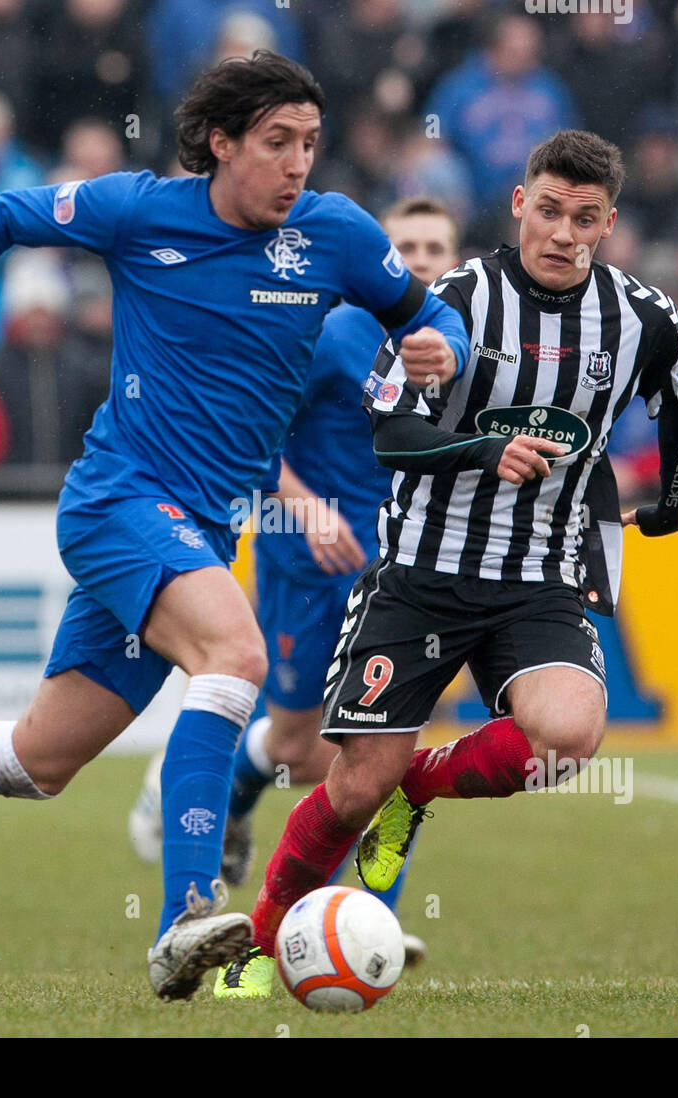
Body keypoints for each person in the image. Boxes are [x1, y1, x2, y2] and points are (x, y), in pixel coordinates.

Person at [0, 51, 469, 1003]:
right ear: (221, 143)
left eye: (311, 145)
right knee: (235, 657)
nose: (298, 164)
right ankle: (184, 917)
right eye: (279, 143)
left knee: (33, 761)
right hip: (119, 499)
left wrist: (435, 346)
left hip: (200, 532)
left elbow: (436, 317)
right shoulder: (142, 211)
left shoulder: (335, 234)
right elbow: (1, 217)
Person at [223, 130, 678, 990]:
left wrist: (673, 497)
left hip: (540, 575)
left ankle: (423, 788)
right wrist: (487, 449)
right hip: (420, 573)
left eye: (583, 219)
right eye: (549, 211)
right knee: (351, 787)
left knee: (568, 737)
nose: (562, 233)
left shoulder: (642, 316)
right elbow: (389, 428)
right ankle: (259, 945)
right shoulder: (452, 302)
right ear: (520, 204)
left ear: (608, 225)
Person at [127, 198, 463, 991]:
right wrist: (304, 503)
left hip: (403, 575)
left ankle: (369, 917)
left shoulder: (457, 348)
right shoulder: (335, 331)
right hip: (304, 564)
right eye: (404, 244)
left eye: (434, 246)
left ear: (455, 257)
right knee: (298, 748)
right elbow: (250, 432)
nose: (418, 257)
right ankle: (240, 786)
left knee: (388, 748)